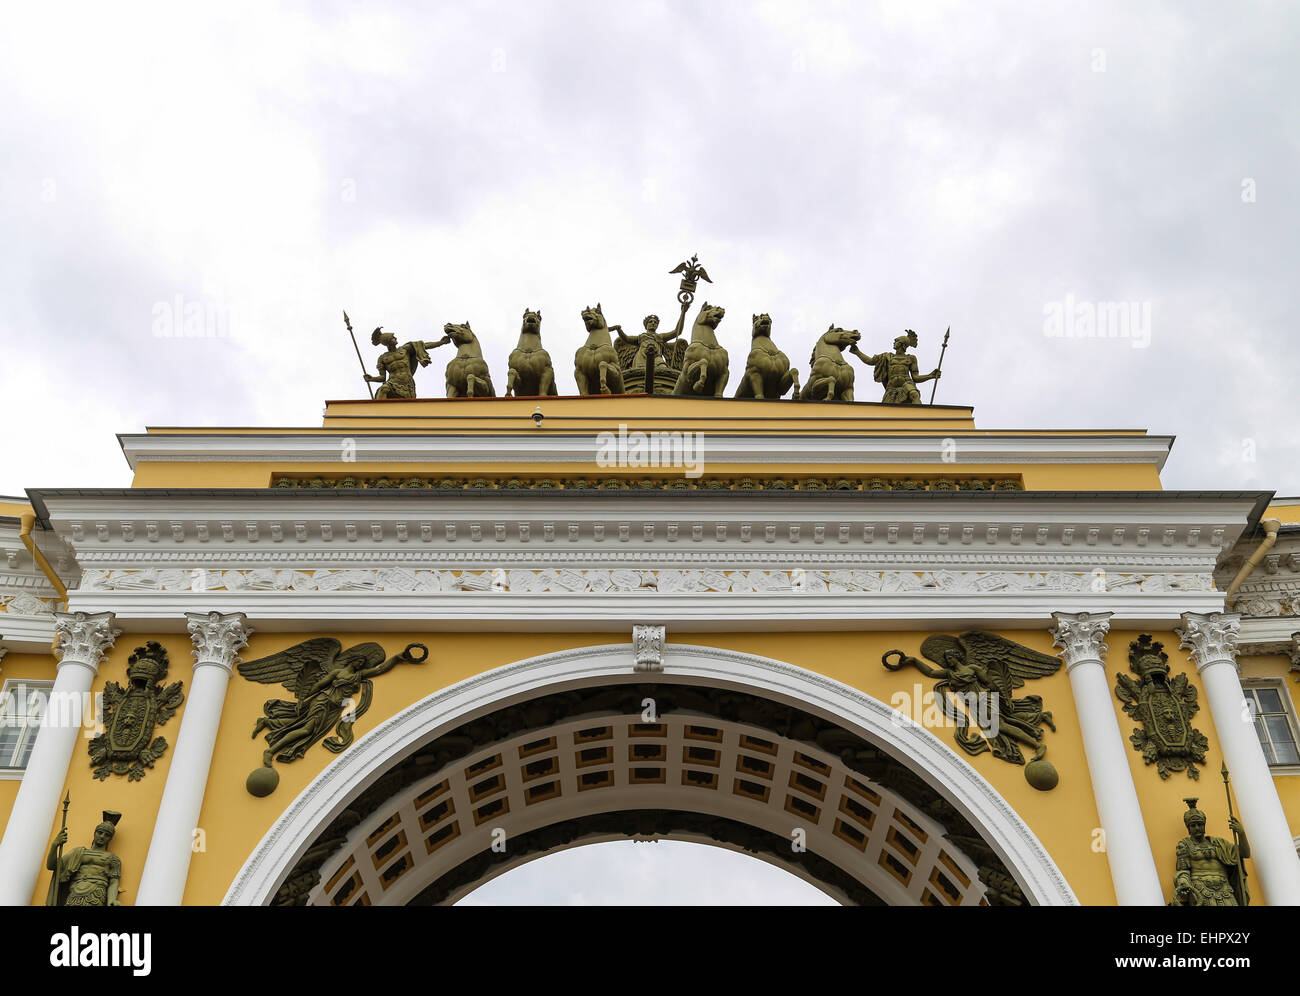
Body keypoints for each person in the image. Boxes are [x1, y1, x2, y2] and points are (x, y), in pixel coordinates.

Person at [1171, 799, 1249, 906]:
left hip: (1225, 890)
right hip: (1200, 890)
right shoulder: (1184, 845)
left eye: (1200, 824)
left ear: (1204, 825)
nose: (1197, 828)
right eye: (1193, 826)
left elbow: (1245, 853)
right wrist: (1183, 882)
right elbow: (1183, 870)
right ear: (1188, 828)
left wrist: (1241, 834)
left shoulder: (1219, 843)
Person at [46, 811, 123, 906]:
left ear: (110, 839)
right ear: (95, 833)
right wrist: (54, 845)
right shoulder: (79, 852)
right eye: (100, 832)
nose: (102, 836)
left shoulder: (113, 859)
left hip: (96, 894)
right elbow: (52, 866)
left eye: (107, 835)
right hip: (75, 893)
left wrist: (112, 900)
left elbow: (114, 883)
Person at [851, 329, 940, 404]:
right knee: (886, 408)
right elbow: (870, 361)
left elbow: (915, 378)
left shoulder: (911, 358)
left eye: (896, 341)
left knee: (914, 394)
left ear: (902, 344)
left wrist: (930, 376)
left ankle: (920, 417)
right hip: (891, 386)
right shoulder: (887, 356)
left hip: (906, 383)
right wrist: (857, 352)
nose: (894, 342)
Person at [365, 328, 451, 399]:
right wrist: (371, 378)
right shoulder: (382, 358)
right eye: (393, 337)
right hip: (393, 381)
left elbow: (424, 345)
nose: (395, 338)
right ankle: (379, 414)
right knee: (383, 389)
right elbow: (382, 378)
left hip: (407, 383)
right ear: (388, 341)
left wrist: (441, 342)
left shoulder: (405, 349)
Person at [616, 315, 682, 394]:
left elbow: (677, 331)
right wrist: (619, 330)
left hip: (657, 357)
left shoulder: (660, 336)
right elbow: (626, 338)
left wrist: (683, 312)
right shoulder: (641, 337)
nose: (653, 323)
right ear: (646, 325)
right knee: (640, 374)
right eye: (650, 322)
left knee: (663, 369)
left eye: (655, 322)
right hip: (641, 357)